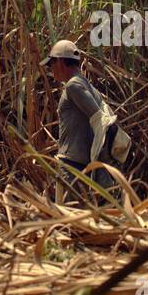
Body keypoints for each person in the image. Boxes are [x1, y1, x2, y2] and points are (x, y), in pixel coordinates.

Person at [41, 39, 114, 192]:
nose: (51, 70)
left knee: (67, 213)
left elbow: (101, 122)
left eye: (51, 64)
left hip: (72, 167)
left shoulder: (73, 86)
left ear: (60, 62)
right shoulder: (90, 87)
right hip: (84, 167)